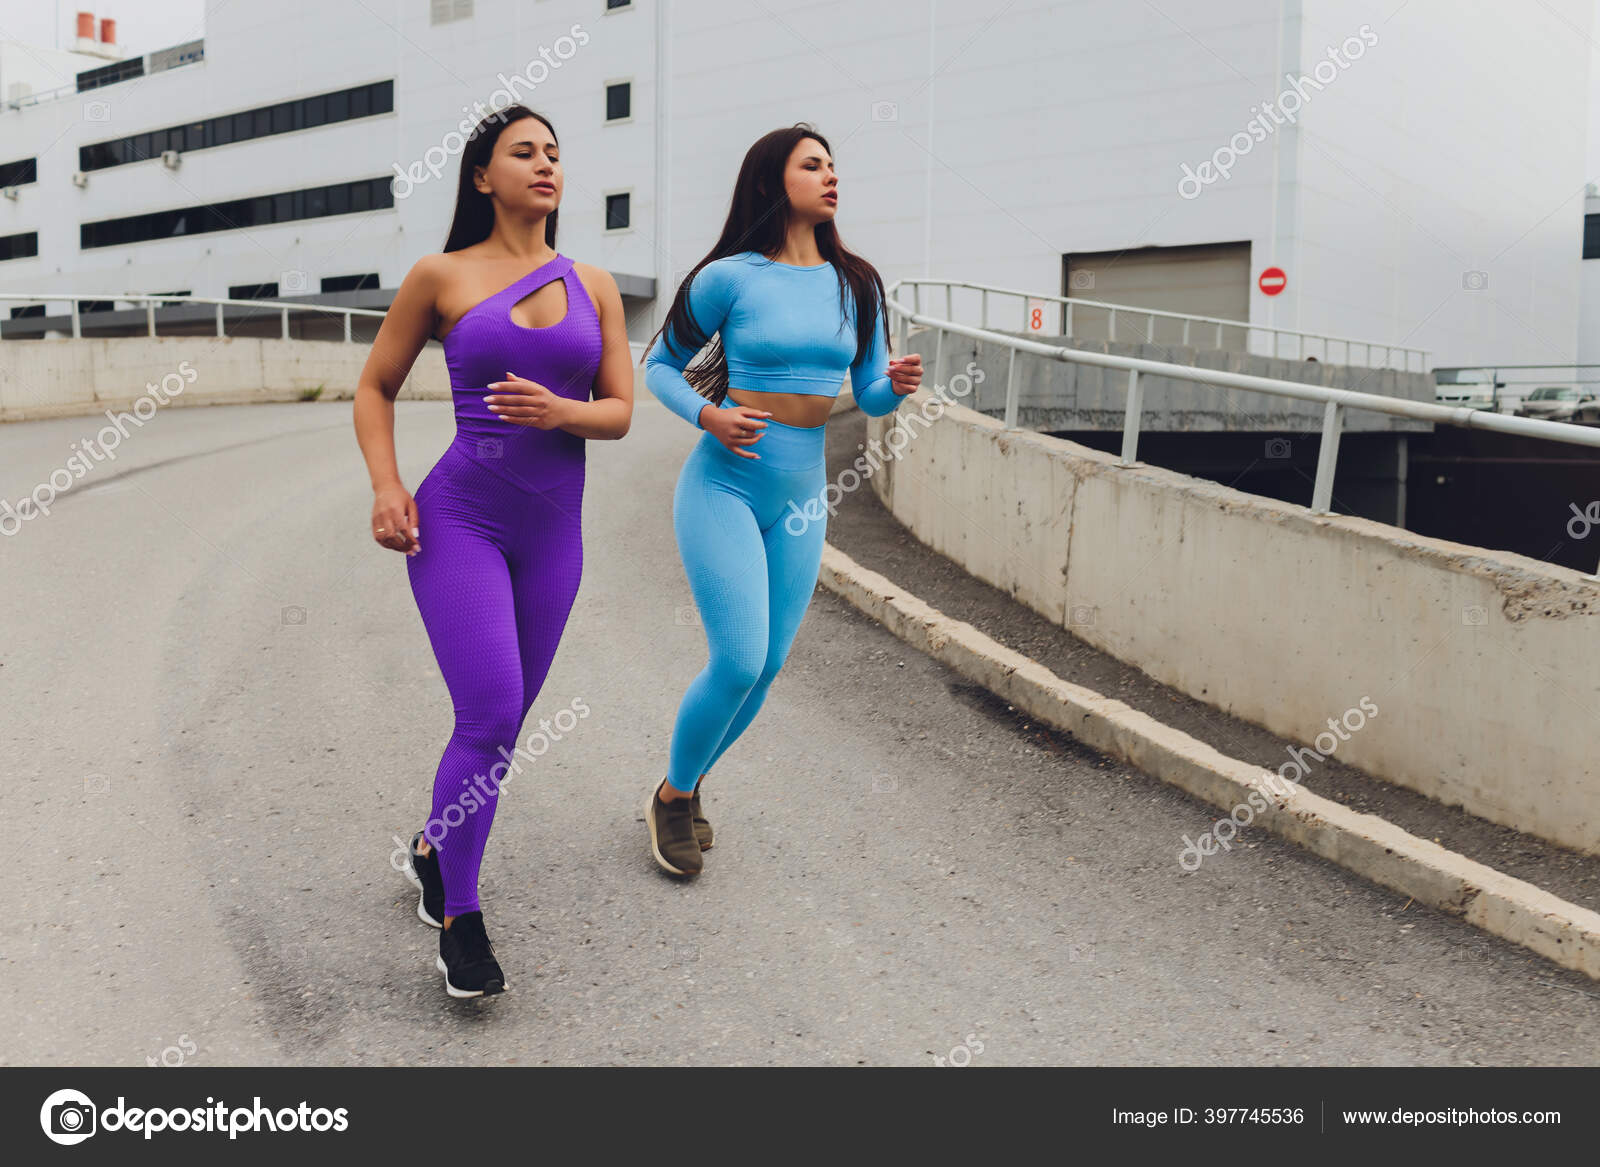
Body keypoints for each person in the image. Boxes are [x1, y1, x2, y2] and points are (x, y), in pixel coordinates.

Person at [352, 105, 634, 997]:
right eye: (524, 151)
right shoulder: (440, 275)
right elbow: (374, 385)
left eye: (555, 151)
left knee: (502, 729)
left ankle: (435, 848)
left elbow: (622, 411)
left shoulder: (595, 282)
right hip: (459, 520)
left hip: (555, 532)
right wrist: (387, 486)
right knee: (491, 712)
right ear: (483, 176)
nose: (546, 163)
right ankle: (462, 921)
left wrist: (563, 412)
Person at [639, 124, 923, 876]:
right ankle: (673, 798)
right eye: (812, 165)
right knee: (737, 659)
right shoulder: (729, 277)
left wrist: (892, 385)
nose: (831, 176)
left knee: (767, 669)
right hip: (724, 484)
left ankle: (680, 787)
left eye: (834, 165)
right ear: (773, 182)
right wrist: (710, 413)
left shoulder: (856, 282)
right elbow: (660, 366)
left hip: (803, 493)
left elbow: (865, 393)